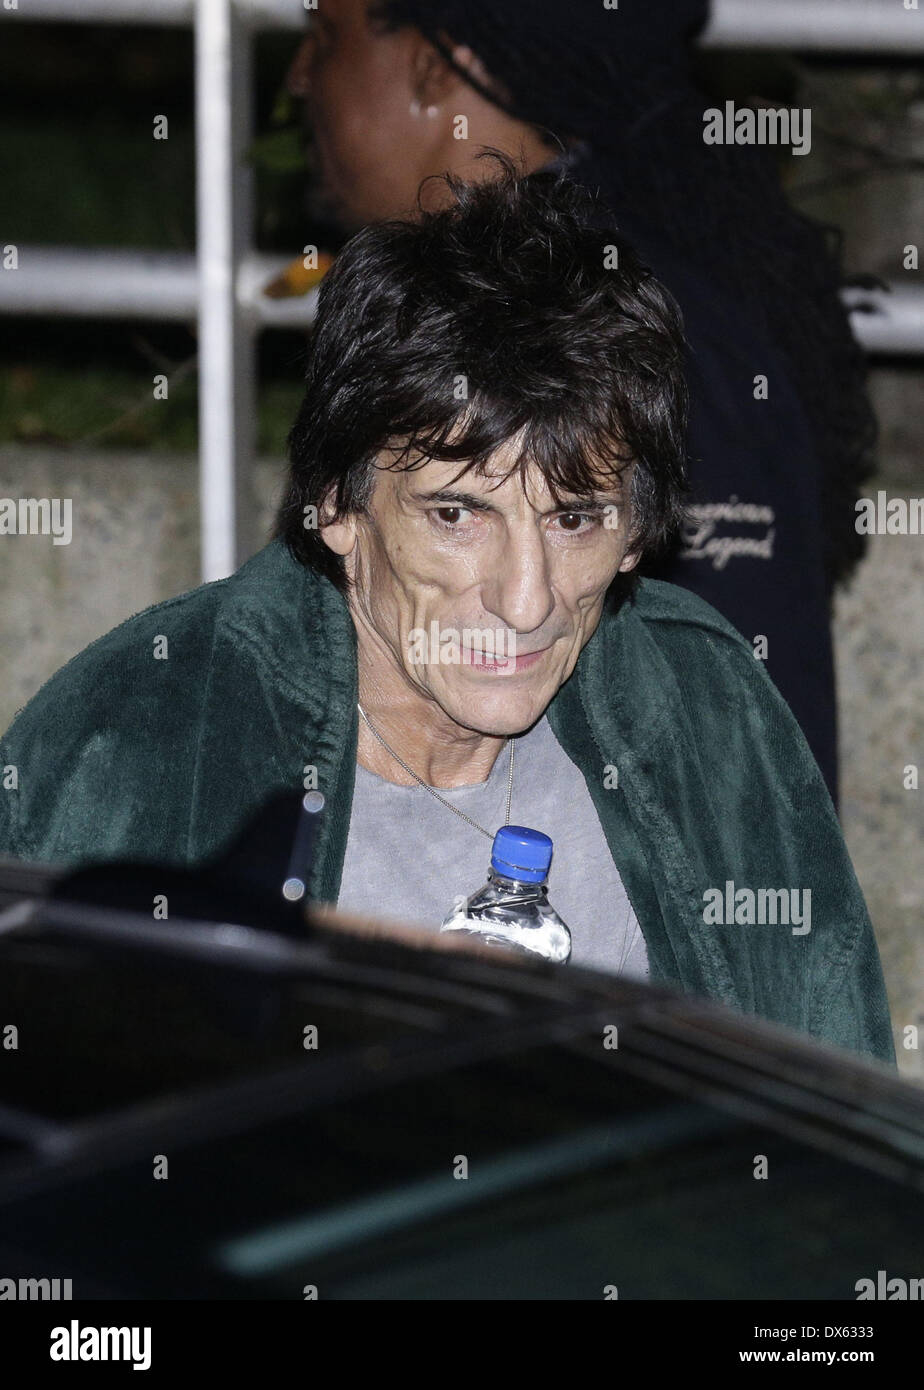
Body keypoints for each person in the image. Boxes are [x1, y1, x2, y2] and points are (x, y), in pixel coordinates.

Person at [0, 165, 893, 1064]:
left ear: (636, 536)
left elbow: (838, 1131)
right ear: (339, 507)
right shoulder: (140, 741)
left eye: (575, 520)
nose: (526, 600)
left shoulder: (703, 711)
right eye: (459, 515)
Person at [284, 0, 879, 809]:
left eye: (324, 40)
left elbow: (732, 775)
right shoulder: (584, 290)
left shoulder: (615, 329)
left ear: (430, 65)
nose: (298, 76)